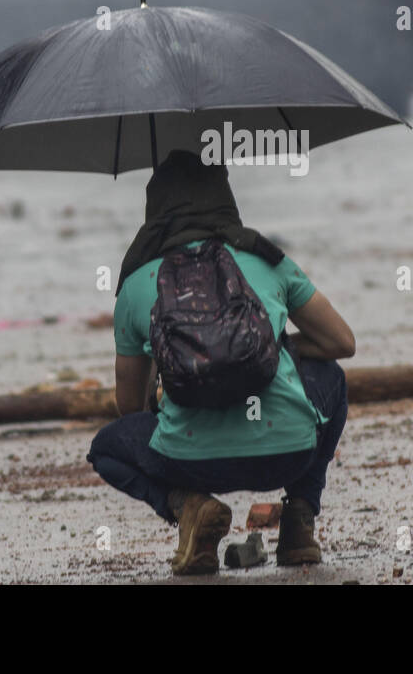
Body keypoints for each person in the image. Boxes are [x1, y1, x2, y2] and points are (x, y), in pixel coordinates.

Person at [86, 150, 354, 576]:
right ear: (224, 198)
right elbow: (341, 342)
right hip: (288, 452)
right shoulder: (268, 259)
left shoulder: (136, 284)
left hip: (190, 461)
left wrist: (172, 362)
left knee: (106, 448)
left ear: (153, 208)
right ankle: (299, 522)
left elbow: (129, 408)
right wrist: (274, 348)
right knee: (332, 379)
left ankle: (189, 507)